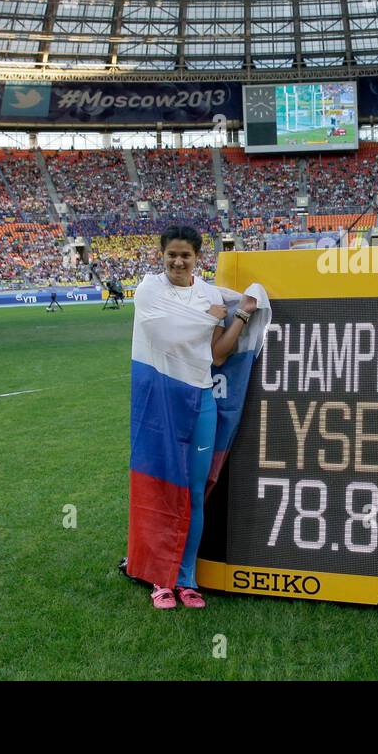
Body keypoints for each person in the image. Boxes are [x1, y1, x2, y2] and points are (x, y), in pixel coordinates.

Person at [125, 224, 264, 611]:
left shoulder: (207, 294)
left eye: (185, 255)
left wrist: (241, 316)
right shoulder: (150, 288)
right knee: (158, 490)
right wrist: (210, 316)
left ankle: (187, 579)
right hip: (158, 401)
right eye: (172, 254)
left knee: (194, 492)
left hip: (200, 397)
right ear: (162, 254)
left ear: (197, 258)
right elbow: (166, 333)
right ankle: (159, 579)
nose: (178, 261)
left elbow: (218, 355)